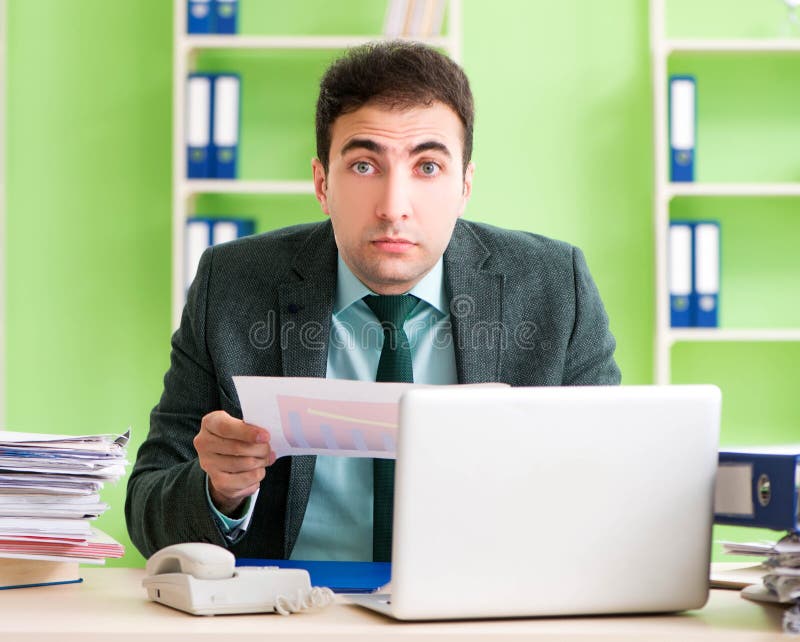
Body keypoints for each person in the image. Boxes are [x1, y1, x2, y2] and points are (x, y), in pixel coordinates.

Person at [125, 40, 620, 562]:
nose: (393, 208)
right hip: (294, 613)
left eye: (427, 167)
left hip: (481, 614)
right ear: (322, 183)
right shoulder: (232, 284)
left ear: (465, 185)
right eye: (365, 166)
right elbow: (147, 508)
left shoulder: (554, 286)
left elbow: (612, 484)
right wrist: (219, 492)